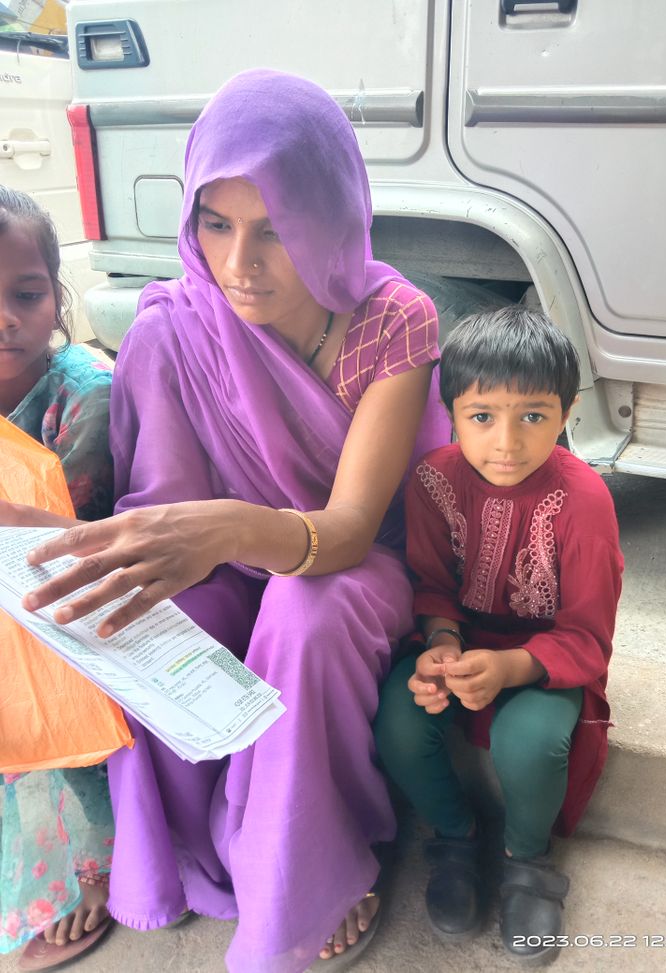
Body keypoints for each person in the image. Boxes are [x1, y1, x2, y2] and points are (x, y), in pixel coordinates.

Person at [19, 71, 450, 973]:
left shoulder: (393, 322)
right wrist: (48, 535)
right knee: (140, 609)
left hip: (352, 567)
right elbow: (161, 516)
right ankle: (203, 845)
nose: (239, 263)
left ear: (331, 217)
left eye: (274, 230)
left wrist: (227, 528)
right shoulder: (175, 326)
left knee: (304, 610)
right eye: (215, 224)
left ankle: (319, 869)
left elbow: (349, 525)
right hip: (225, 561)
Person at [374, 307, 623, 965]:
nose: (507, 442)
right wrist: (443, 645)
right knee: (400, 717)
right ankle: (454, 837)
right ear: (450, 413)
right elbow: (431, 583)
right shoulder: (432, 479)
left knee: (530, 740)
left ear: (567, 413)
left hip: (550, 658)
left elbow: (588, 634)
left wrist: (512, 667)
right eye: (482, 416)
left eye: (533, 415)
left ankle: (527, 859)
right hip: (461, 643)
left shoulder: (585, 500)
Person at [0, 186, 115, 968]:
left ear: (57, 297)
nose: (6, 318)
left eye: (26, 294)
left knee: (57, 693)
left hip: (66, 599)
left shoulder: (85, 397)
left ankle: (93, 858)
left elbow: (91, 540)